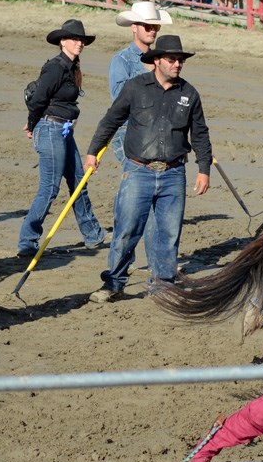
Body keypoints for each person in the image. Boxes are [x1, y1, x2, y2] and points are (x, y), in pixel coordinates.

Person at [83, 35, 212, 304]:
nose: (177, 64)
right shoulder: (134, 88)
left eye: (181, 60)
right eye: (172, 59)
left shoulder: (189, 94)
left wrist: (204, 169)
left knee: (168, 233)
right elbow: (111, 120)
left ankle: (163, 284)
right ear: (156, 61)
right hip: (138, 171)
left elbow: (200, 134)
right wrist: (92, 152)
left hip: (174, 173)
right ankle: (114, 284)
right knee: (126, 230)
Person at [17, 19, 108, 258]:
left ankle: (92, 234)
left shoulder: (72, 66)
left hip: (64, 130)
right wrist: (33, 123)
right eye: (75, 39)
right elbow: (38, 99)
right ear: (62, 41)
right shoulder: (56, 67)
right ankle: (27, 240)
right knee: (49, 188)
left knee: (79, 181)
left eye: (82, 40)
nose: (79, 43)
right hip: (50, 129)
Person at [109, 1, 172, 161]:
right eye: (147, 26)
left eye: (155, 27)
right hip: (129, 129)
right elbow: (119, 98)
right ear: (134, 27)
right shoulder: (122, 60)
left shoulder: (161, 61)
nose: (152, 31)